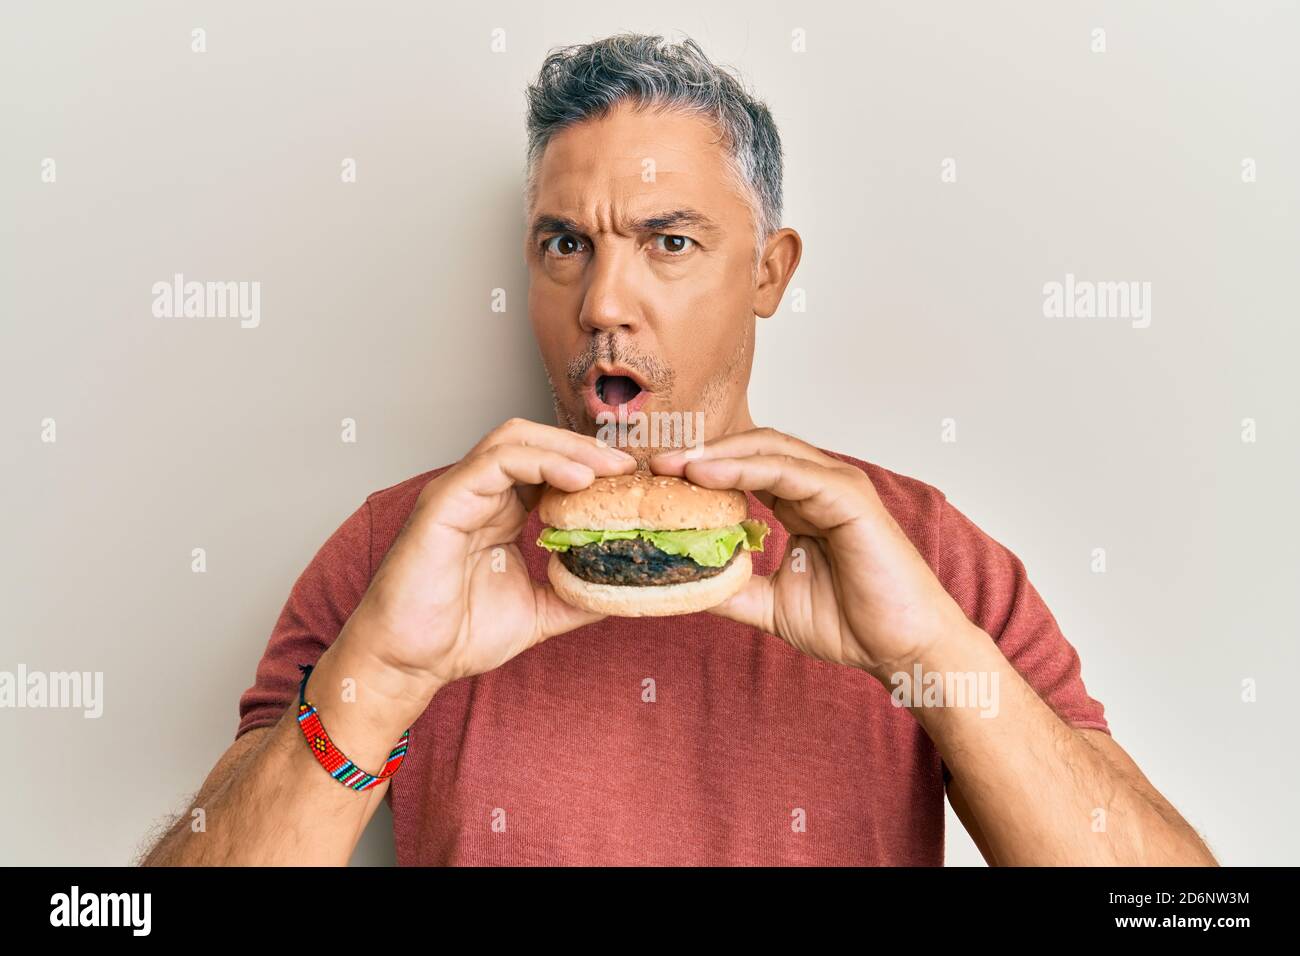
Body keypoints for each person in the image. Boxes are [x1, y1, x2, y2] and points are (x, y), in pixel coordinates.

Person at [142, 34, 1214, 866]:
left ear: (768, 272)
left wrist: (930, 659)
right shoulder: (408, 545)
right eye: (566, 244)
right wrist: (378, 677)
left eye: (669, 242)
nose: (604, 302)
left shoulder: (919, 548)